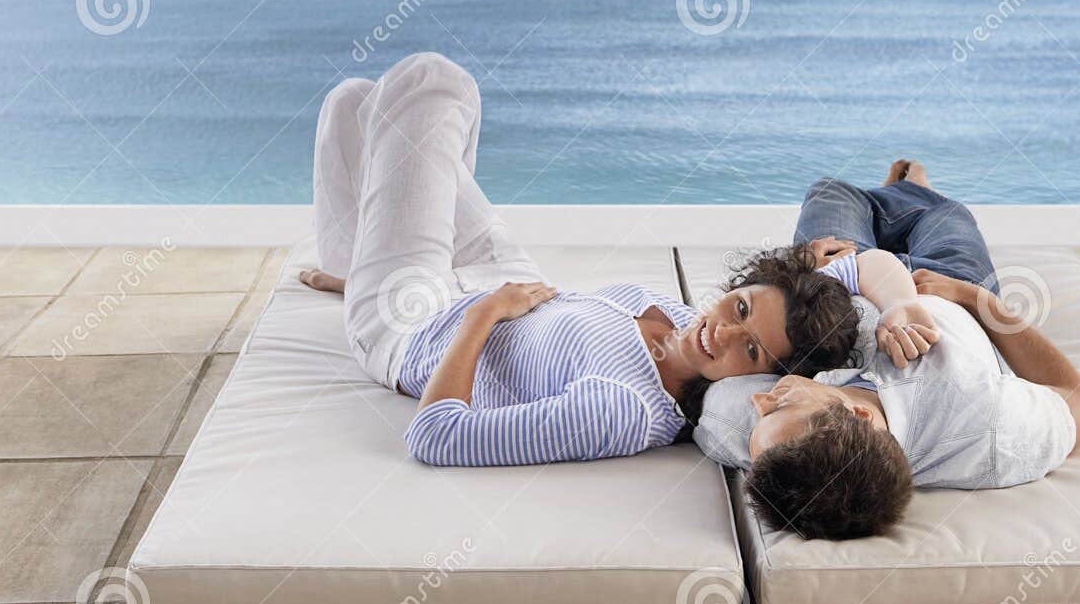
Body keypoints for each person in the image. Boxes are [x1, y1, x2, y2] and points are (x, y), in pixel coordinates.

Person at [297, 52, 862, 467]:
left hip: (416, 324)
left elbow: (437, 436)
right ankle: (358, 260)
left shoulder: (622, 410)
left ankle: (366, 280)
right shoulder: (679, 317)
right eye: (741, 309)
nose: (722, 334)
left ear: (768, 378)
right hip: (504, 281)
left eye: (753, 350)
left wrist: (484, 315)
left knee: (432, 80)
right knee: (357, 104)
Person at [697, 161, 1080, 540]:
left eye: (758, 425)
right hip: (945, 284)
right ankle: (914, 188)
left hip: (834, 284)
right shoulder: (992, 430)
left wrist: (799, 266)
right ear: (857, 414)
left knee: (831, 192)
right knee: (944, 215)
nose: (760, 398)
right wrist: (976, 299)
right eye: (780, 407)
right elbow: (1078, 401)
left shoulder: (748, 431)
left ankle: (892, 196)